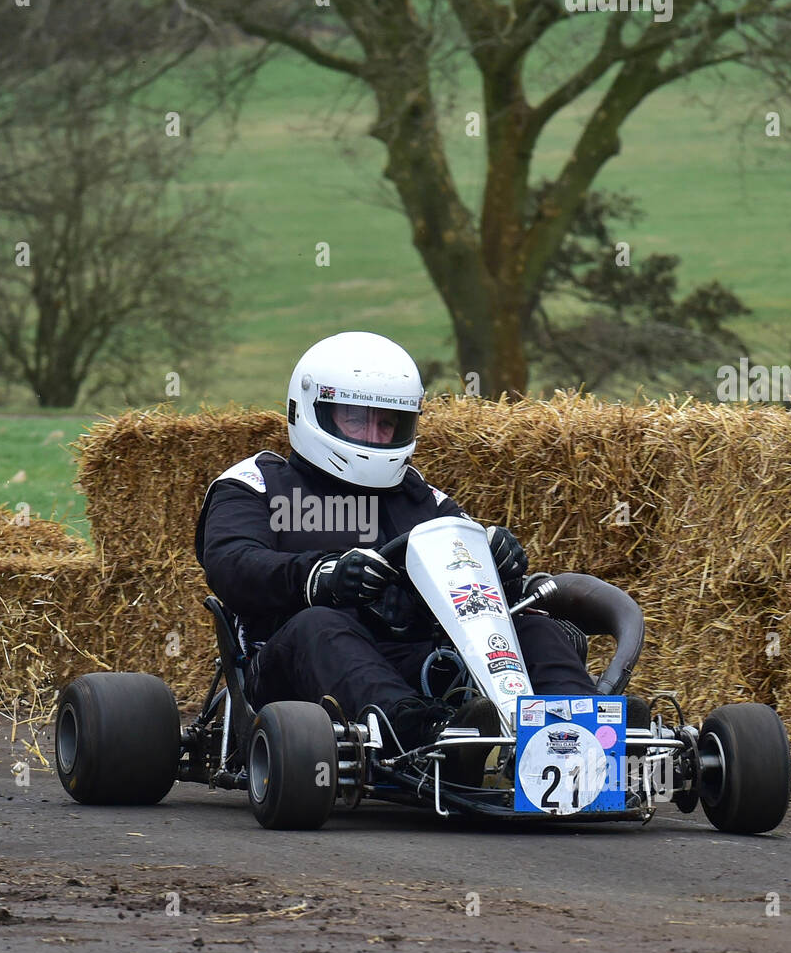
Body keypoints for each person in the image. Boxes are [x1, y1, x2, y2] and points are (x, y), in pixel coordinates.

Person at [194, 331, 596, 783]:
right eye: (356, 419)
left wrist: (500, 563)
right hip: (296, 670)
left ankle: (586, 733)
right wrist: (320, 577)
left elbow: (472, 588)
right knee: (322, 624)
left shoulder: (423, 499)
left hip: (417, 664)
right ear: (309, 411)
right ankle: (427, 740)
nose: (373, 435)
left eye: (387, 423)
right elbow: (232, 564)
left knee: (532, 627)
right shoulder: (258, 484)